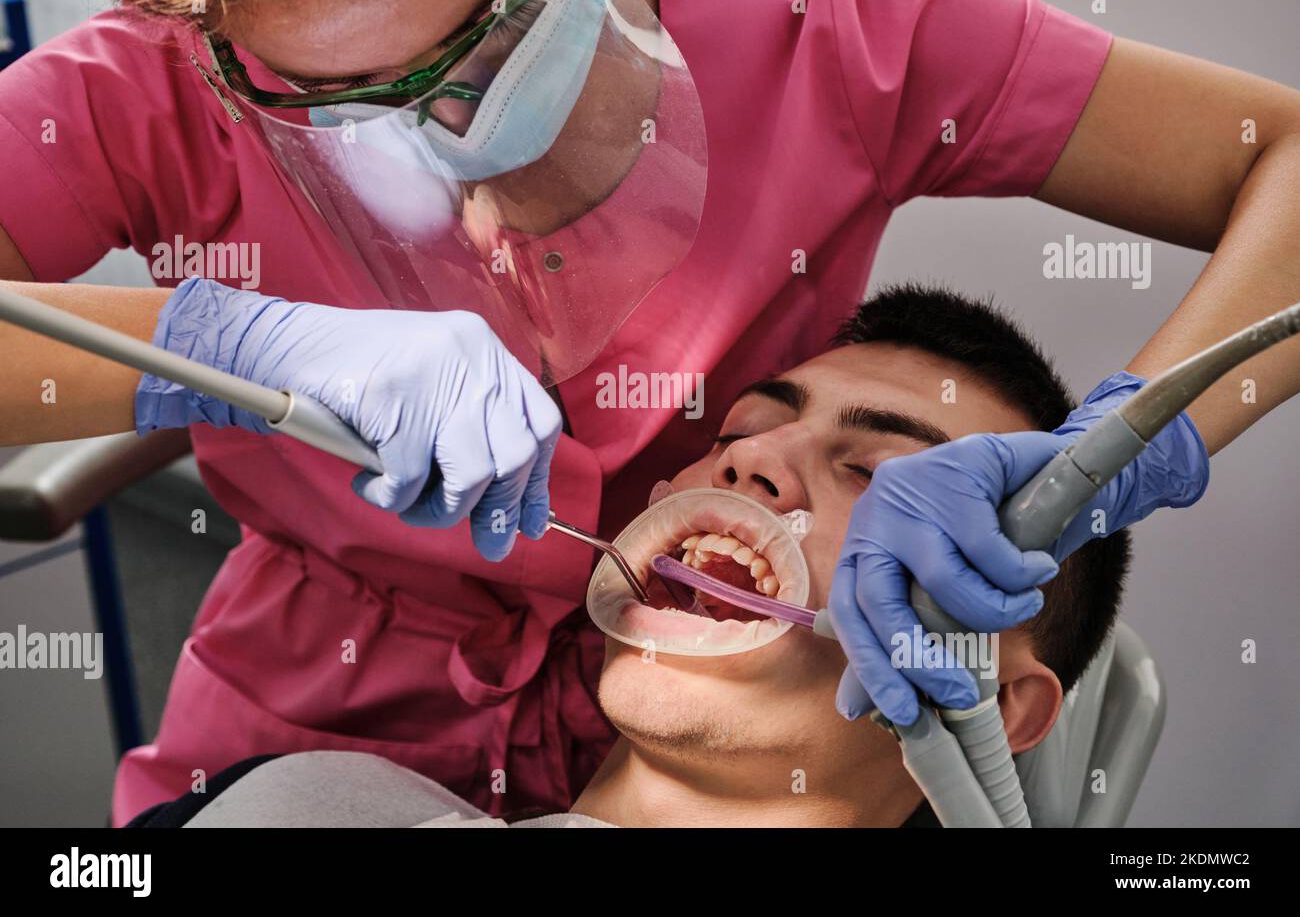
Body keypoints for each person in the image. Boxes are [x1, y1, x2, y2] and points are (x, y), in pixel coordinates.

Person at [0, 0, 1296, 826]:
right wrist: (226, 346)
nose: (423, 135)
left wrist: (1139, 437)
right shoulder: (141, 87)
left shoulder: (824, 13)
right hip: (310, 714)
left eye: (477, 43)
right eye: (325, 102)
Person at [127, 285, 1133, 827]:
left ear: (995, 709)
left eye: (877, 477)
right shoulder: (300, 800)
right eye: (740, 426)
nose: (749, 461)